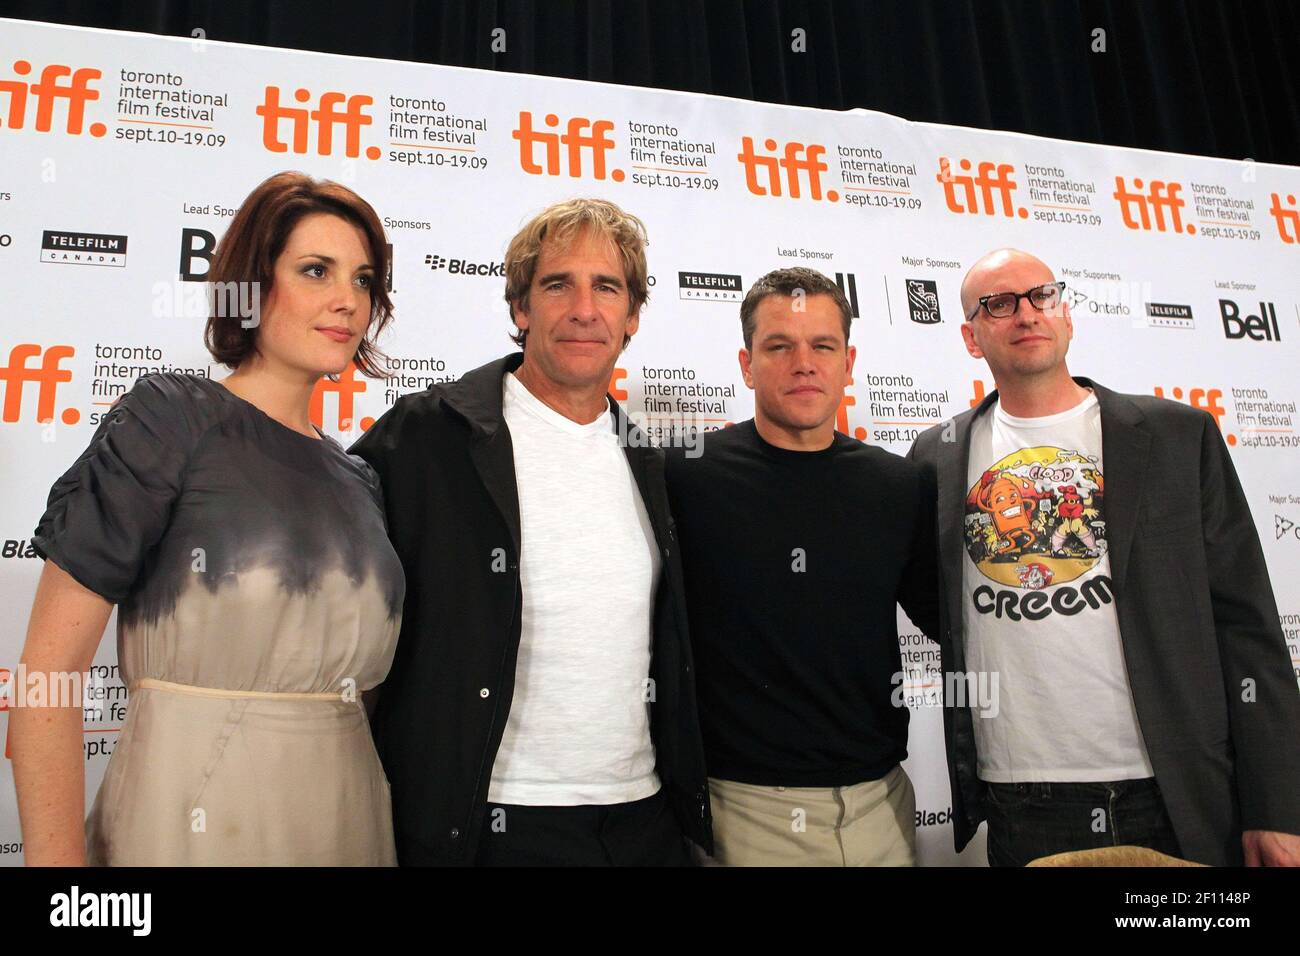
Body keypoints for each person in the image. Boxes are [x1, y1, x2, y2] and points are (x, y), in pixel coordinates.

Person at [12, 171, 405, 865]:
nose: (347, 299)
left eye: (364, 279)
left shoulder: (361, 481)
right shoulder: (170, 419)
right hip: (184, 819)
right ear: (251, 286)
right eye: (317, 271)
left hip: (347, 821)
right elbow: (46, 676)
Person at [908, 247, 1300, 867]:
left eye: (1042, 295)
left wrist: (1278, 806)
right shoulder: (937, 456)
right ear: (970, 336)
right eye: (999, 304)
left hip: (1176, 787)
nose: (1027, 314)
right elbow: (939, 601)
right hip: (1024, 795)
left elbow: (1247, 625)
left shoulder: (1176, 435)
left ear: (1066, 313)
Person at [350, 198, 711, 866]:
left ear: (632, 316)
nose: (584, 308)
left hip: (643, 821)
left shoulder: (654, 465)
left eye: (607, 287)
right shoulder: (428, 438)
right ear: (521, 308)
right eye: (557, 285)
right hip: (493, 824)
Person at [663, 267, 939, 866]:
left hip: (883, 804)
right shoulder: (686, 478)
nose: (804, 363)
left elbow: (957, 624)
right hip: (745, 812)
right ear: (746, 363)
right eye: (779, 346)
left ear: (848, 360)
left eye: (822, 346)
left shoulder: (900, 485)